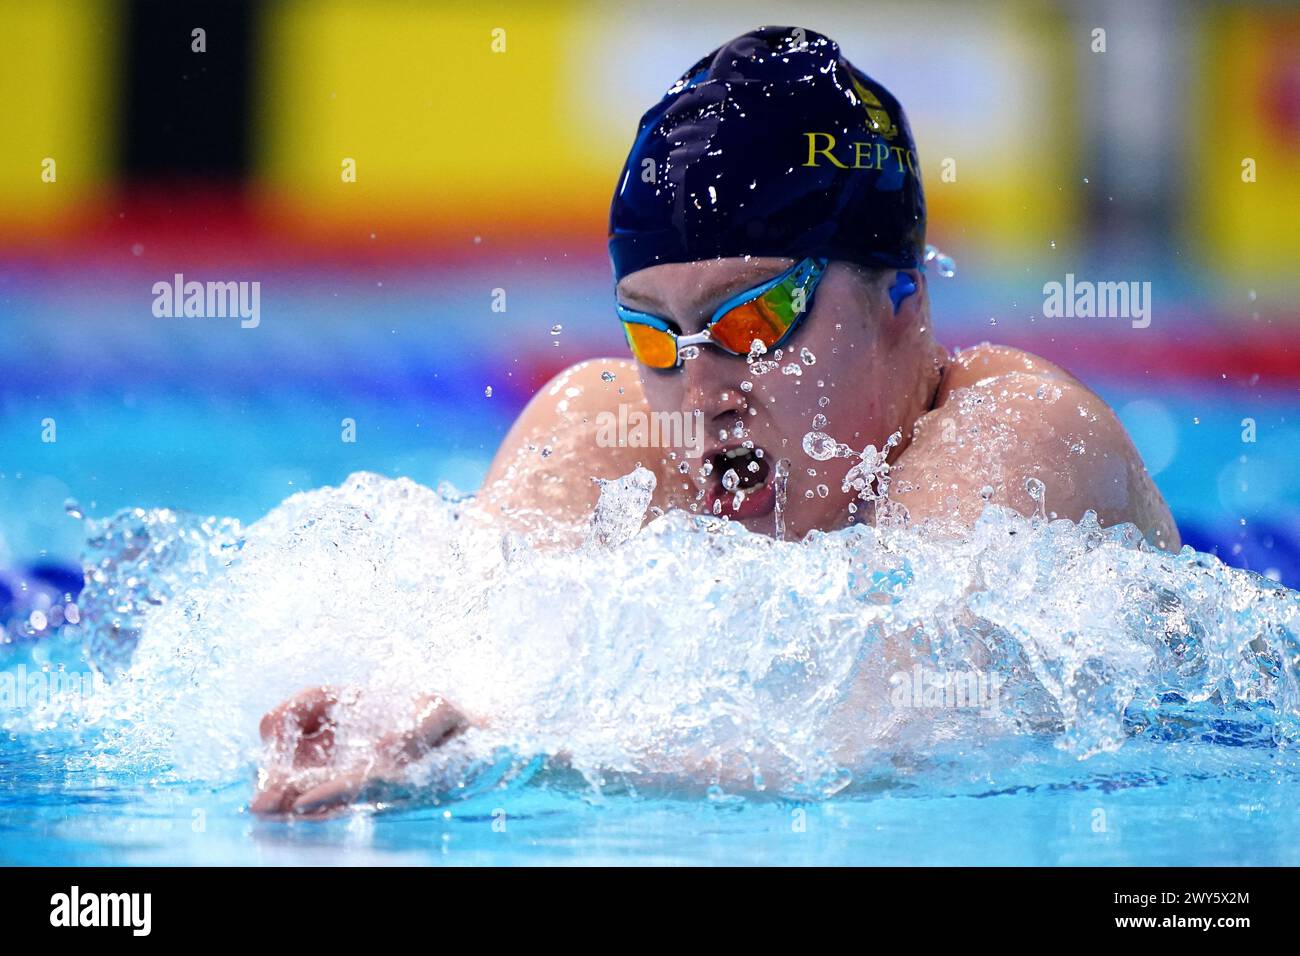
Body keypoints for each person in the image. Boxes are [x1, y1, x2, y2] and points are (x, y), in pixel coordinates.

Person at [252, 26, 1178, 815]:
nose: (699, 396)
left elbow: (882, 739)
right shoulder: (604, 427)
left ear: (904, 299)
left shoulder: (1014, 436)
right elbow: (474, 644)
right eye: (657, 337)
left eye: (753, 320)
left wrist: (516, 751)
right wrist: (402, 716)